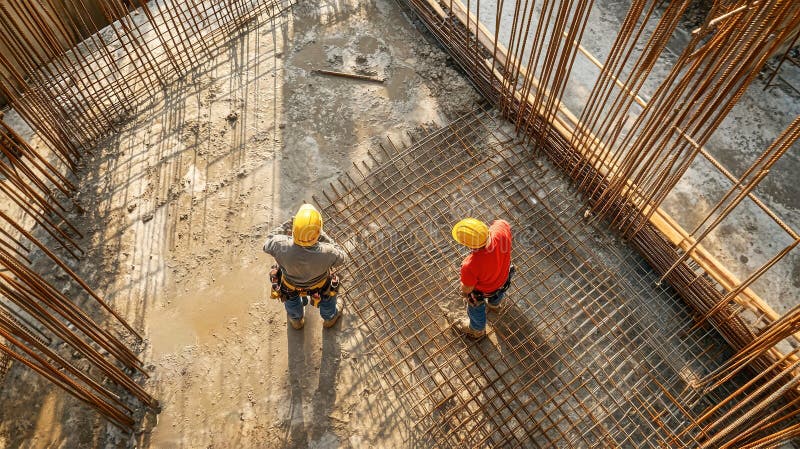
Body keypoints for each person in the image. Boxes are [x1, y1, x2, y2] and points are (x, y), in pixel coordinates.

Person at [263, 204, 347, 330]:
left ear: (294, 229)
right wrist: (322, 235)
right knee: (328, 299)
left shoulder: (279, 244)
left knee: (291, 300)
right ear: (317, 233)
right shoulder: (327, 252)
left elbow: (267, 243)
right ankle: (330, 318)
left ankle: (296, 320)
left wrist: (288, 224)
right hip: (320, 285)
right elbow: (342, 258)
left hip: (289, 285)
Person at [451, 218, 514, 338]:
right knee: (498, 293)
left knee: (474, 303)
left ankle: (477, 329)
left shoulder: (470, 265)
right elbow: (502, 222)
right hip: (504, 278)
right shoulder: (500, 230)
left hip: (486, 290)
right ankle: (494, 305)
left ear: (468, 245)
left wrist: (464, 292)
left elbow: (467, 289)